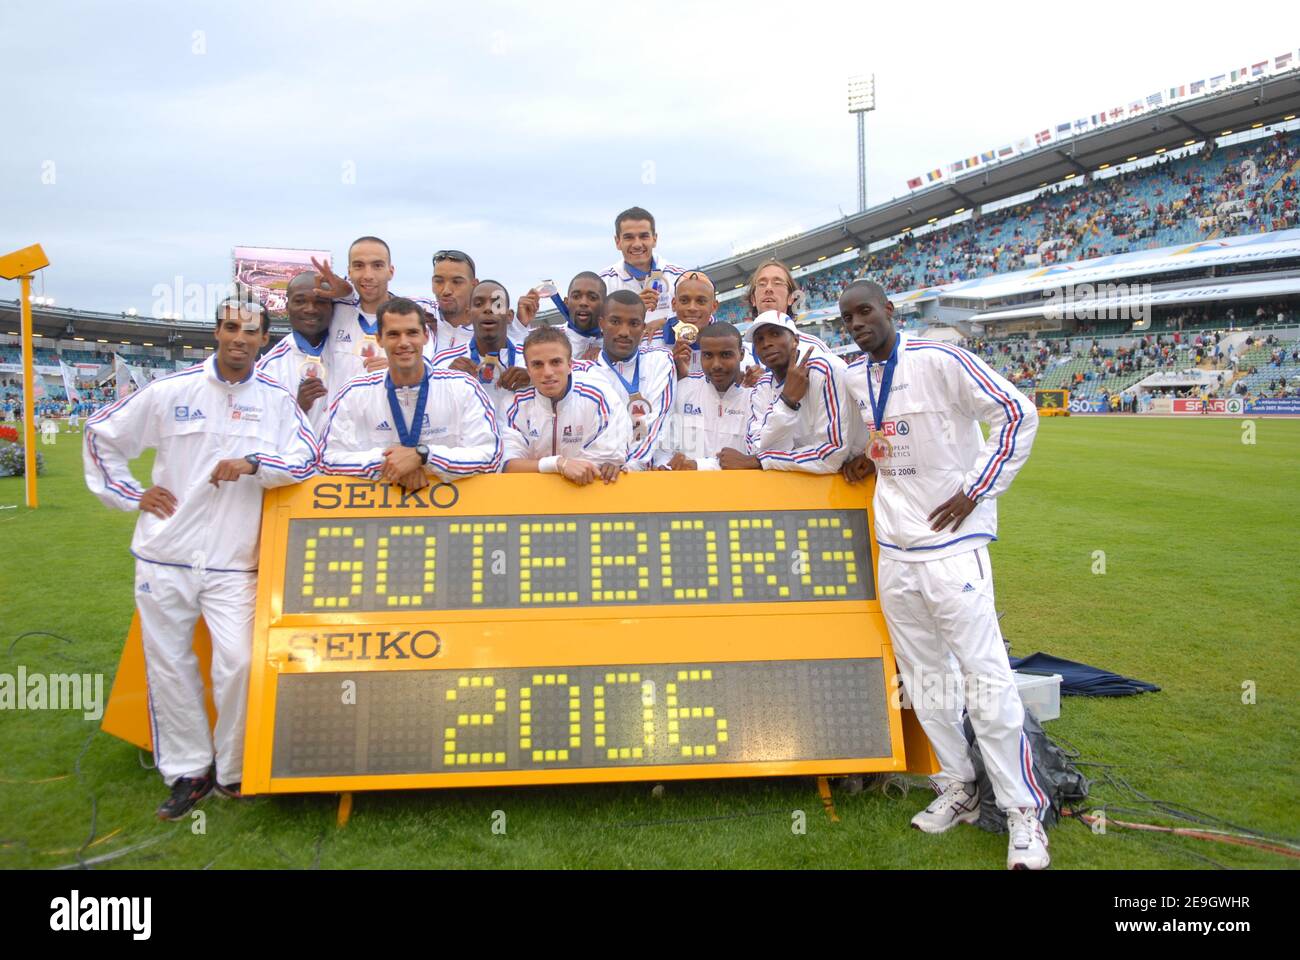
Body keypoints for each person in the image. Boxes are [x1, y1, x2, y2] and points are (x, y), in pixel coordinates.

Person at [837, 279, 1046, 871]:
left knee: (985, 677)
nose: (856, 323)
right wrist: (862, 458)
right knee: (926, 678)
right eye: (847, 316)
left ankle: (1022, 813)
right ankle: (958, 786)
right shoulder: (856, 378)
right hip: (895, 550)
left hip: (952, 546)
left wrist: (974, 490)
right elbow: (870, 444)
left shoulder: (942, 358)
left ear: (890, 311)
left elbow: (1017, 414)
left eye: (866, 312)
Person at [83, 295, 318, 819]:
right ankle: (188, 771)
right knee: (169, 665)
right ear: (217, 331)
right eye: (231, 327)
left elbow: (305, 460)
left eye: (250, 330)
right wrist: (129, 494)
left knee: (238, 663)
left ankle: (234, 770)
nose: (240, 337)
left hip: (235, 560)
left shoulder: (278, 400)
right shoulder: (171, 390)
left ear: (263, 339)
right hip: (164, 555)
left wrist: (255, 464)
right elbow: (101, 435)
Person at [320, 297, 502, 487]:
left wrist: (424, 456)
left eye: (412, 333)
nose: (404, 342)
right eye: (393, 334)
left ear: (425, 336)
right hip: (376, 513)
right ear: (379, 339)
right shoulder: (354, 392)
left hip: (450, 511)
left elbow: (490, 455)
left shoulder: (464, 387)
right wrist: (389, 462)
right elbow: (327, 458)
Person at [719, 311, 855, 473]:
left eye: (775, 334)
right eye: (759, 339)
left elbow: (832, 455)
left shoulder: (825, 370)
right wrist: (786, 402)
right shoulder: (762, 386)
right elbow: (756, 449)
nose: (766, 343)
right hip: (789, 487)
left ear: (796, 340)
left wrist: (761, 461)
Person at [501, 326, 630, 484]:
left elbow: (605, 462)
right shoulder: (514, 404)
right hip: (531, 498)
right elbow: (507, 466)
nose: (547, 372)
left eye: (555, 362)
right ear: (528, 369)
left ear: (570, 365)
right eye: (537, 364)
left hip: (587, 496)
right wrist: (558, 464)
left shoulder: (598, 397)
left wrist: (539, 466)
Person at [584, 289, 676, 470]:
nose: (624, 332)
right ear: (602, 323)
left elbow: (656, 422)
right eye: (615, 322)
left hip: (640, 473)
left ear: (643, 327)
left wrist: (627, 467)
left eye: (633, 323)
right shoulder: (586, 372)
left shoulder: (660, 360)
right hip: (601, 472)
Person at [431, 280, 531, 420]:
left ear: (509, 316)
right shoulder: (444, 361)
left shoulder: (532, 360)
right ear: (469, 314)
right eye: (478, 304)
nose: (488, 309)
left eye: (497, 304)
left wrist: (534, 380)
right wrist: (447, 382)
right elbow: (429, 409)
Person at [256, 272, 340, 434]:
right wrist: (298, 408)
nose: (310, 309)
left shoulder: (348, 353)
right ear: (287, 307)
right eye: (300, 301)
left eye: (320, 301)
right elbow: (263, 432)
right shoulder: (268, 369)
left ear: (332, 307)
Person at [661, 322, 753, 471]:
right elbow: (665, 448)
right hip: (689, 490)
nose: (716, 364)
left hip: (739, 491)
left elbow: (756, 457)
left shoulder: (754, 397)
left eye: (725, 355)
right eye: (708, 355)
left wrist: (699, 465)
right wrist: (666, 465)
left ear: (741, 354)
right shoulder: (683, 390)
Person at [647, 270, 758, 379]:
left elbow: (746, 380)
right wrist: (670, 365)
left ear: (714, 306)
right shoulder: (652, 341)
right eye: (684, 301)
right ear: (674, 304)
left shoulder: (731, 342)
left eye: (701, 301)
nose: (692, 308)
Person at [599, 206, 684, 331]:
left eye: (644, 236)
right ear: (617, 242)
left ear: (654, 239)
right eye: (629, 237)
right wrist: (632, 309)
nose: (637, 244)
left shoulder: (679, 277)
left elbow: (703, 320)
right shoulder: (603, 283)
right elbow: (594, 331)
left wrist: (669, 322)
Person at [517, 271, 607, 362]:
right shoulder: (543, 338)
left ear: (605, 305)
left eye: (592, 298)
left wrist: (606, 355)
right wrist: (519, 326)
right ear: (566, 303)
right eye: (576, 296)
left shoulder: (615, 345)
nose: (583, 303)